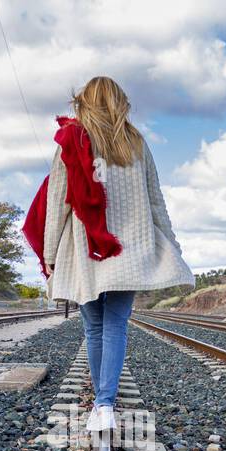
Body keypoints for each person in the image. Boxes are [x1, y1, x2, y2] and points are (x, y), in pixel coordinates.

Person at [40, 76, 193, 431]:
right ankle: (104, 405)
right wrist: (172, 243)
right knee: (115, 327)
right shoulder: (136, 142)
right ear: (120, 102)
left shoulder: (70, 141)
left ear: (84, 102)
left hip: (86, 250)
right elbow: (157, 202)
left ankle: (102, 403)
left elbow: (56, 204)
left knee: (94, 328)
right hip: (130, 251)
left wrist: (50, 254)